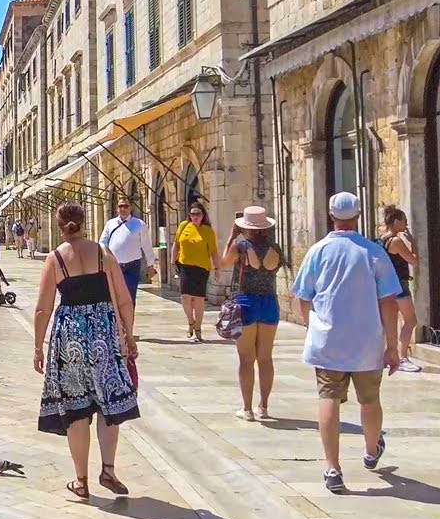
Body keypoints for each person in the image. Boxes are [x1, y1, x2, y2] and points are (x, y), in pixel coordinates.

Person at [292, 193, 400, 494]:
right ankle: (370, 450)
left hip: (328, 341)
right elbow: (389, 301)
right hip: (366, 341)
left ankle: (332, 468)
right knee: (370, 400)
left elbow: (304, 297)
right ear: (358, 216)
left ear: (331, 216)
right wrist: (392, 346)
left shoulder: (317, 251)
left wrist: (312, 327)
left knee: (328, 398)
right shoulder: (372, 252)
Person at [33, 203, 139, 500]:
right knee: (109, 404)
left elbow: (43, 309)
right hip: (104, 335)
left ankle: (81, 481)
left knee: (76, 409)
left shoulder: (56, 258)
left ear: (59, 227)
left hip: (70, 340)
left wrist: (38, 347)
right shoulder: (104, 253)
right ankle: (108, 470)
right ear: (83, 223)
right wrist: (128, 335)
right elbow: (124, 300)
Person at [222, 206, 285, 421]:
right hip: (269, 303)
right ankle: (263, 406)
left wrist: (232, 236)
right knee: (265, 358)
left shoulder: (240, 247)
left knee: (246, 359)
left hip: (246, 302)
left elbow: (223, 262)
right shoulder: (275, 248)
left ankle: (247, 408)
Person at [380, 205, 422, 373]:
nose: (406, 224)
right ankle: (402, 357)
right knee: (410, 320)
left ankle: (388, 354)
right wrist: (413, 243)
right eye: (404, 221)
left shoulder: (382, 239)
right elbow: (414, 261)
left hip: (387, 286)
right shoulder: (396, 241)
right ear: (396, 221)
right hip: (399, 285)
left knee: (390, 321)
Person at [170, 202, 219, 342]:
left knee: (198, 299)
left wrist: (217, 268)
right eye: (192, 214)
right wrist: (172, 262)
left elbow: (214, 251)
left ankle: (198, 327)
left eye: (198, 214)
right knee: (185, 297)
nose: (195, 216)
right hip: (185, 266)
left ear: (203, 215)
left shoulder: (208, 230)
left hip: (201, 268)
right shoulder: (184, 226)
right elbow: (176, 244)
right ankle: (191, 322)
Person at [99, 198, 157, 310]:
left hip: (132, 266)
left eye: (125, 206)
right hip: (114, 265)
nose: (123, 209)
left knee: (130, 296)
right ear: (117, 208)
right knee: (114, 295)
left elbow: (146, 246)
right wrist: (103, 259)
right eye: (120, 206)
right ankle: (117, 319)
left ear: (130, 208)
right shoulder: (110, 224)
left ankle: (129, 319)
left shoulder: (139, 224)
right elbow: (102, 242)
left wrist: (151, 265)